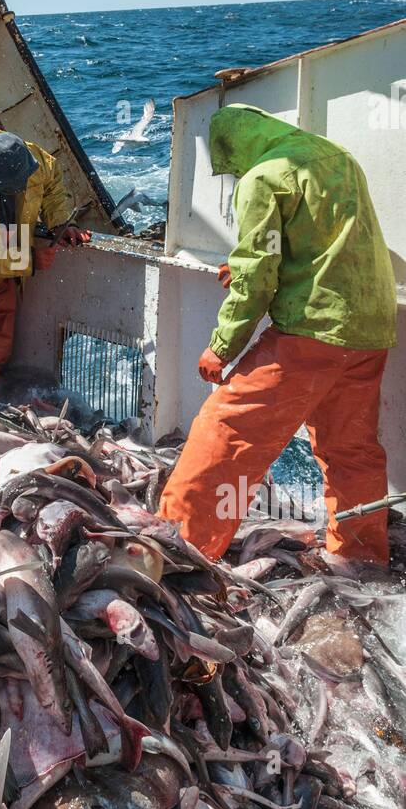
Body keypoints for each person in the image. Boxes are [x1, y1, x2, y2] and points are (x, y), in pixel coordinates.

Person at [159, 104, 397, 566]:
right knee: (351, 450)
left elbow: (257, 279)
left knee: (227, 429)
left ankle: (178, 545)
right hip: (369, 332)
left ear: (235, 151)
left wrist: (221, 347)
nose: (234, 176)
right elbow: (323, 244)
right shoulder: (337, 157)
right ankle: (361, 559)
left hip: (312, 334)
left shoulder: (263, 178)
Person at [0, 127, 91, 388]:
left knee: (1, 329)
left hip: (7, 259)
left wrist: (59, 222)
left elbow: (52, 180)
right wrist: (31, 261)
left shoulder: (28, 158)